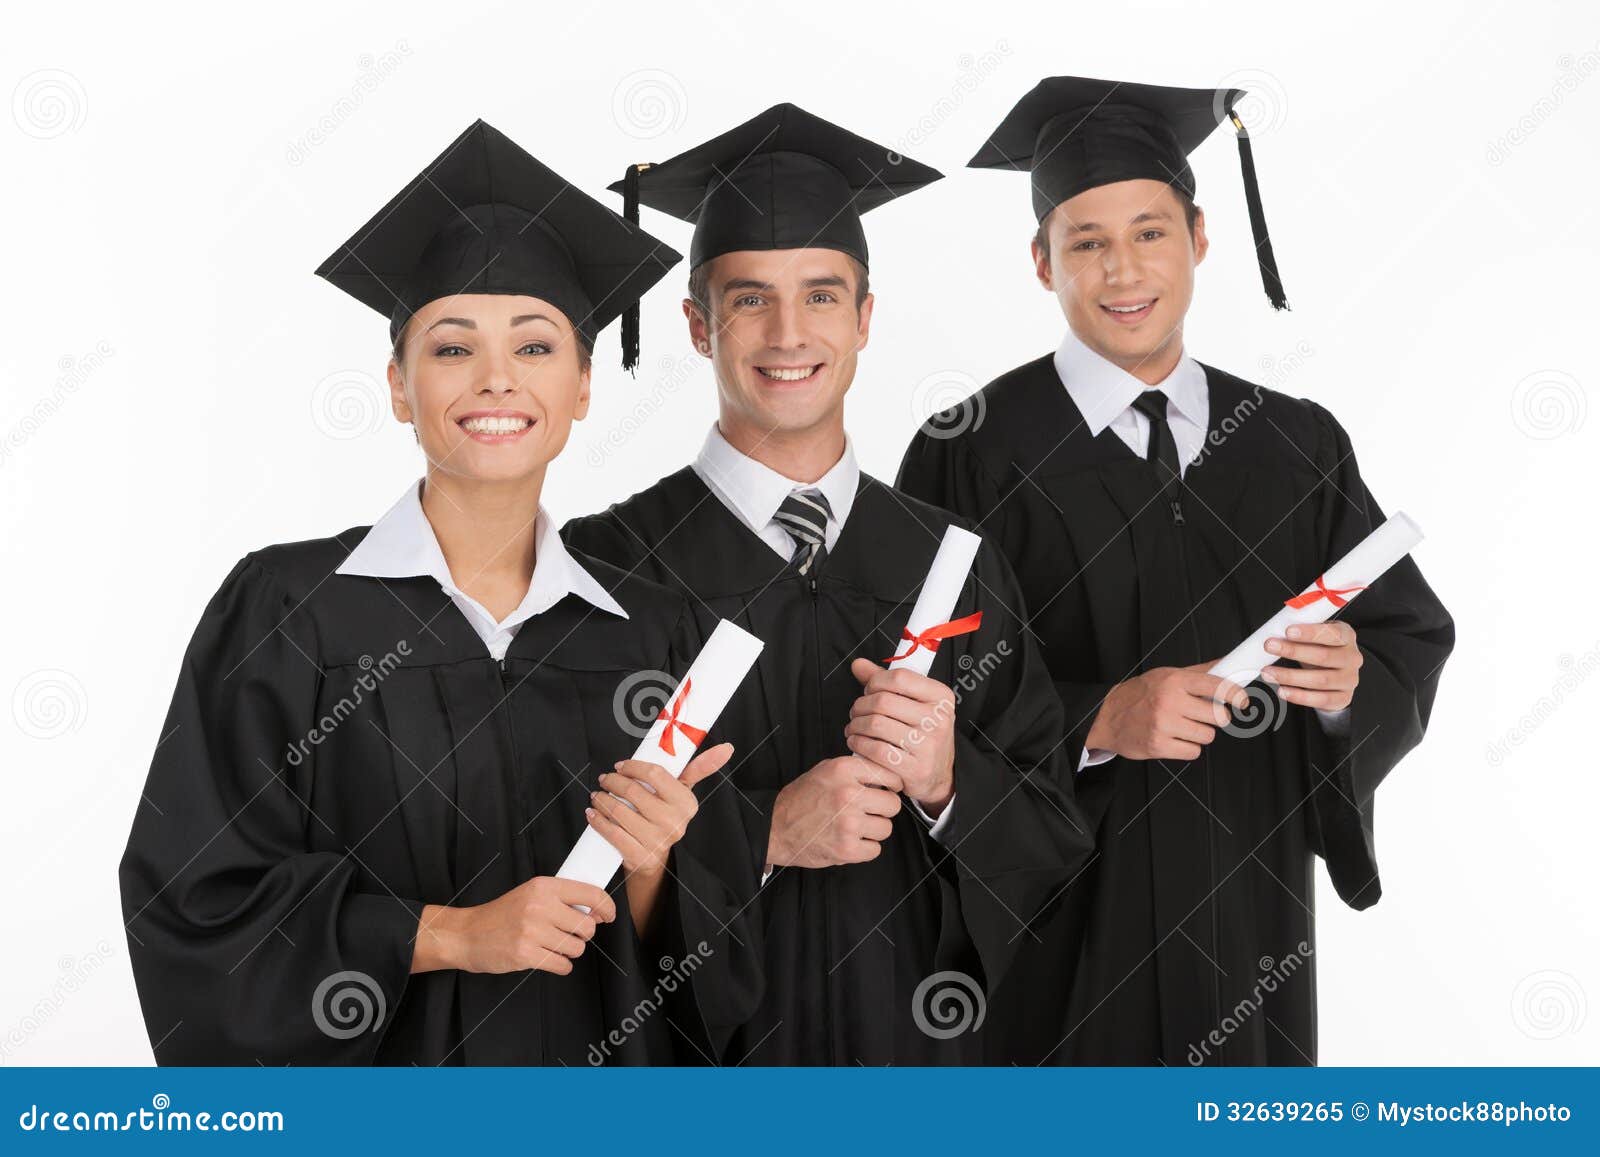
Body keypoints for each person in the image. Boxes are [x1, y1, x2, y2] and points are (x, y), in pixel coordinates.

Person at [118, 119, 762, 1065]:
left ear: (585, 386)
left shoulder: (658, 634)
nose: (497, 378)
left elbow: (728, 988)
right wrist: (454, 935)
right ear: (397, 384)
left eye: (537, 348)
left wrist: (657, 868)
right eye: (453, 348)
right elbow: (193, 902)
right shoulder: (288, 610)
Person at [897, 75, 1455, 1065]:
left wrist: (1342, 689)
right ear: (1040, 262)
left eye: (1150, 231)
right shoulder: (972, 449)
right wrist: (1093, 718)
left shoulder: (1294, 442)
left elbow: (1404, 632)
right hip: (1056, 937)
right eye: (1085, 240)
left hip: (1249, 925)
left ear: (1198, 237)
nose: (1123, 268)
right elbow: (917, 693)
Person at [563, 103, 1095, 1065]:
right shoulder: (608, 561)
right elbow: (555, 832)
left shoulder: (954, 561)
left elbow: (1055, 836)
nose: (786, 332)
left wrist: (946, 782)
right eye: (749, 298)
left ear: (864, 319)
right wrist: (763, 834)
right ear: (696, 324)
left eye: (820, 295)